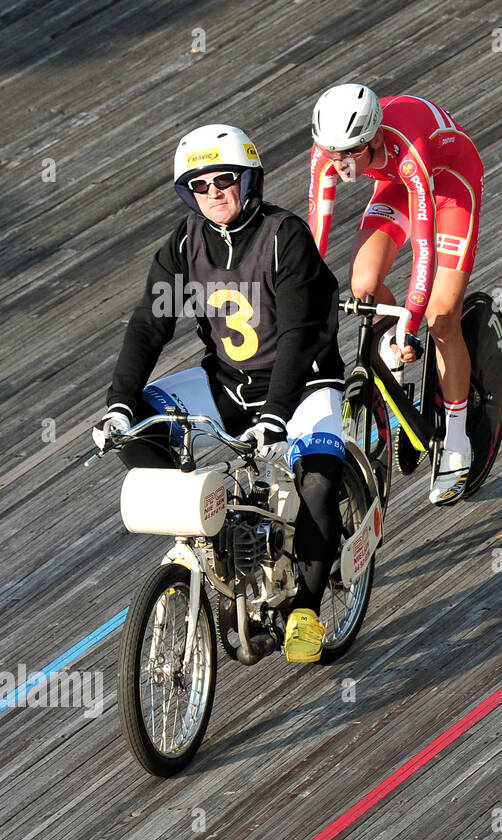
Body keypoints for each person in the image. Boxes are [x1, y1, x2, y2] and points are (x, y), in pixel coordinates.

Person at [93, 124, 346, 663]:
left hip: (302, 383)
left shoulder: (285, 235)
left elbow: (300, 334)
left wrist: (278, 414)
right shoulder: (185, 243)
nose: (214, 194)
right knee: (135, 423)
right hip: (227, 384)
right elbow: (148, 325)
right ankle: (218, 532)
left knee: (320, 482)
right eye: (200, 185)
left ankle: (305, 606)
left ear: (248, 179)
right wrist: (117, 404)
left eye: (224, 180)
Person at [307, 83, 484, 505]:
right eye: (333, 153)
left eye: (350, 153)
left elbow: (424, 250)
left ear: (374, 136)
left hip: (449, 184)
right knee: (364, 285)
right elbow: (315, 237)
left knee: (441, 316)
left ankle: (457, 440)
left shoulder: (409, 149)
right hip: (394, 187)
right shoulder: (327, 152)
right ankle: (392, 351)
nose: (341, 164)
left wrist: (411, 316)